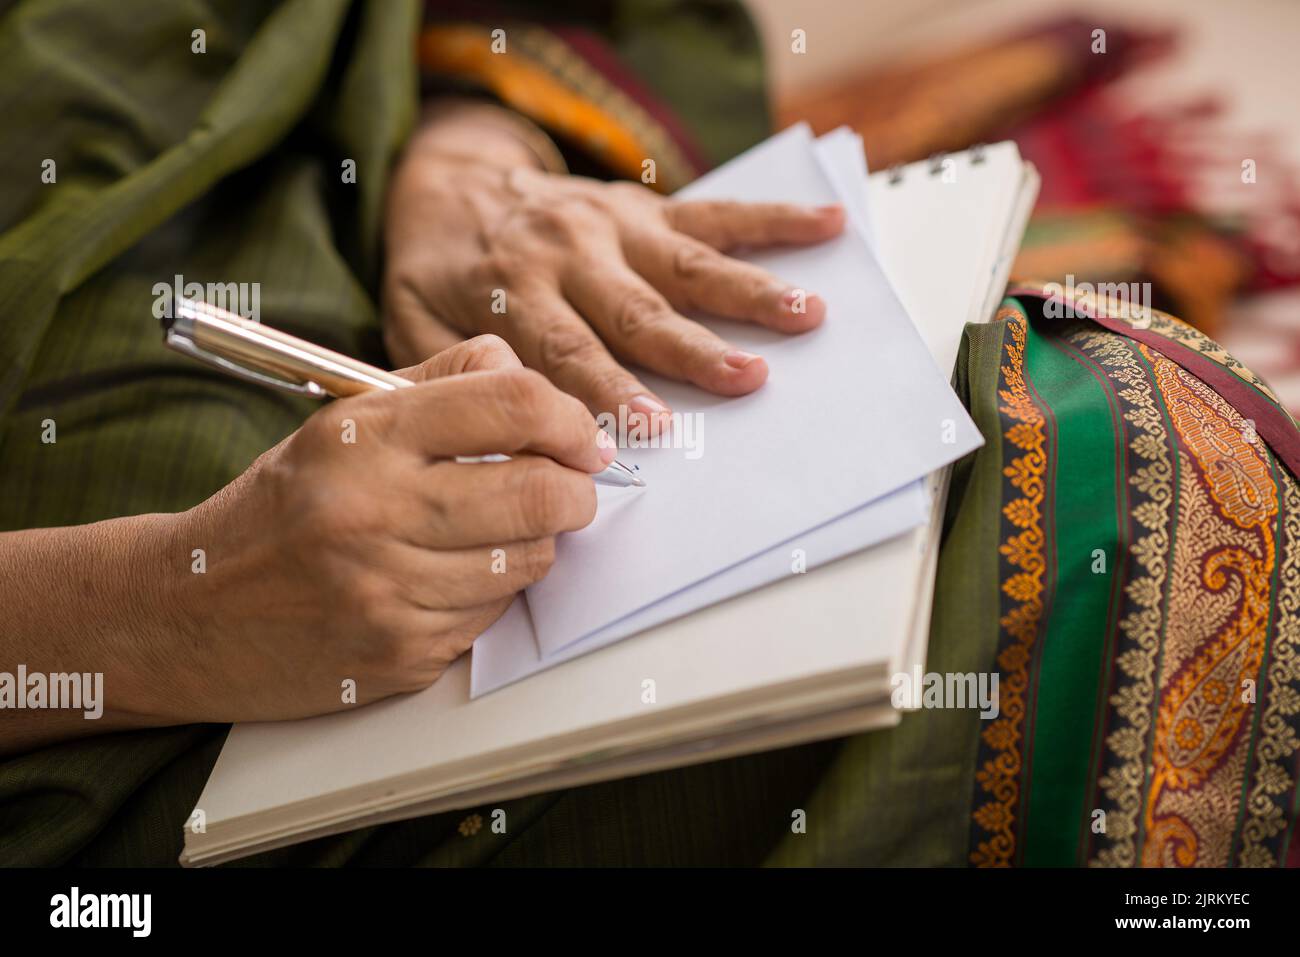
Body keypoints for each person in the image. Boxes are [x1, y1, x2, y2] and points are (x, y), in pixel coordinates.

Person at [5, 0, 1300, 868]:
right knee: (1134, 521)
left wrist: (469, 160)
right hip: (121, 712)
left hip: (364, 232)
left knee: (1121, 429)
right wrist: (160, 613)